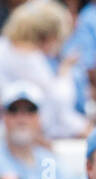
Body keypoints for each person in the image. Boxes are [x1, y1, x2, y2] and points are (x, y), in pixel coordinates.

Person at [0, 0, 87, 139]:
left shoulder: (5, 45)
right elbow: (58, 103)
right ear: (46, 36)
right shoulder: (29, 59)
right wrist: (65, 70)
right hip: (21, 134)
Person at [0, 82, 71, 179]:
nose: (22, 119)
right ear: (4, 117)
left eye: (30, 111)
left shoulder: (49, 161)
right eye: (14, 111)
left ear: (39, 118)